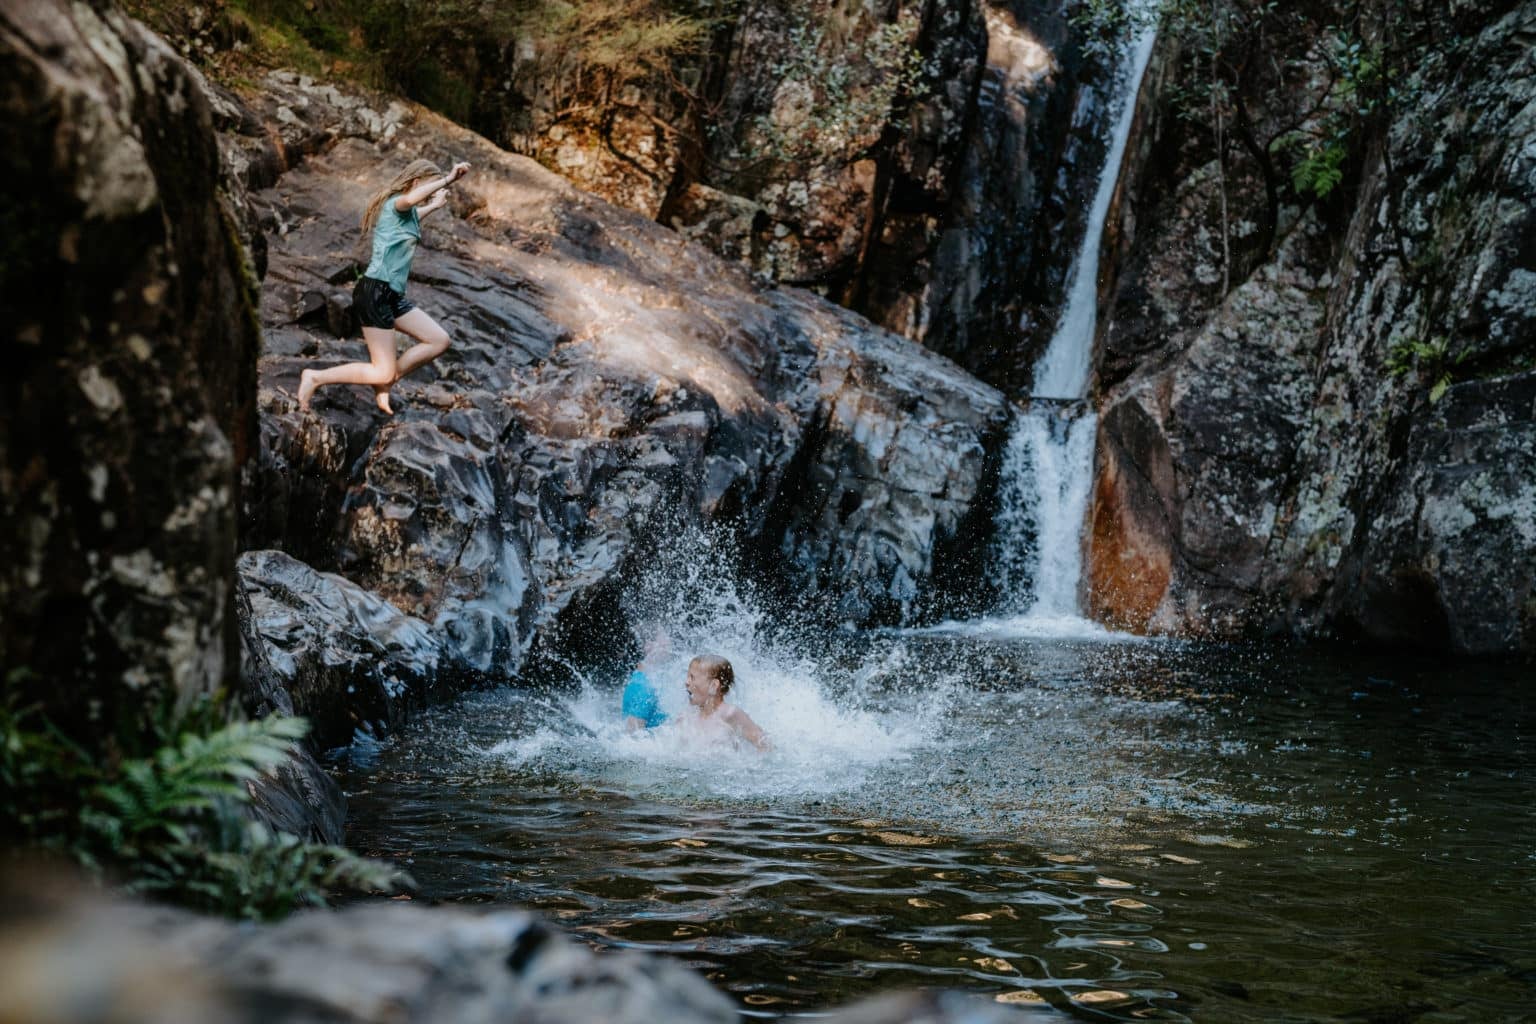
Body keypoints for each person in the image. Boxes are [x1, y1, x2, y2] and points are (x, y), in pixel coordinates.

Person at [298, 158, 471, 415]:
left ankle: (385, 382)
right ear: (416, 183)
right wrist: (447, 179)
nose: (429, 193)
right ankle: (315, 377)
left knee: (439, 340)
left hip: (392, 295)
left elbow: (416, 213)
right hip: (375, 292)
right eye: (428, 187)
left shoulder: (408, 215)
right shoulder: (396, 204)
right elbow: (410, 201)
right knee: (382, 370)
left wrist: (435, 205)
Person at [684, 654, 770, 752]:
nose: (687, 682)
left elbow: (765, 744)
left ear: (713, 685)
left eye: (692, 677)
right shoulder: (687, 718)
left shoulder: (730, 714)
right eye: (687, 676)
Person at [622, 631, 671, 732]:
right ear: (648, 646)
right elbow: (632, 735)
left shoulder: (643, 679)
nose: (668, 640)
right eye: (662, 636)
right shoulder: (644, 688)